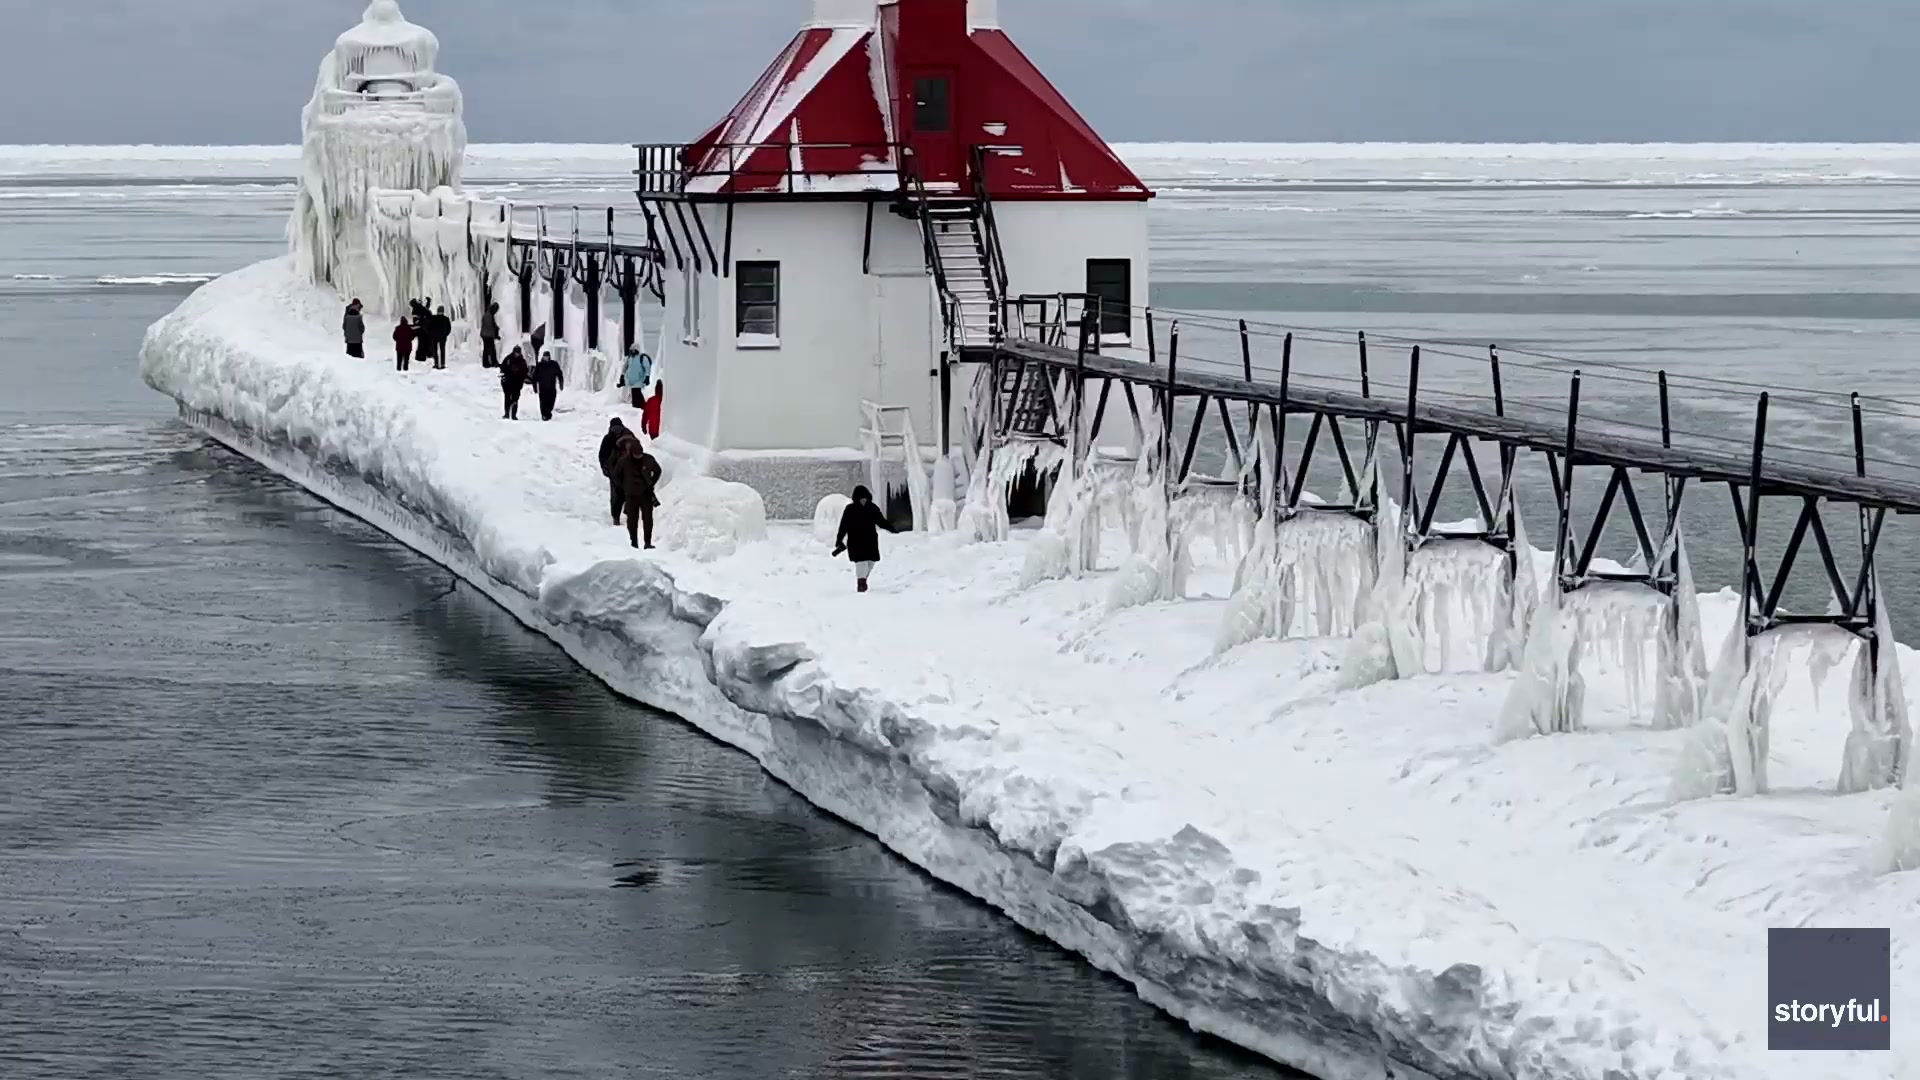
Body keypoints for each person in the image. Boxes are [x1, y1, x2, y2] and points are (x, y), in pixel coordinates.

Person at [832, 485, 897, 594]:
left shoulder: (872, 508)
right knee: (860, 562)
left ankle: (863, 579)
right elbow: (843, 526)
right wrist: (839, 540)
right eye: (861, 498)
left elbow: (881, 521)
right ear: (856, 498)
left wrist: (893, 529)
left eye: (865, 498)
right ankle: (861, 584)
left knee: (871, 562)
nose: (863, 500)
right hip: (855, 541)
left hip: (870, 540)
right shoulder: (850, 509)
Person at [610, 436, 662, 550]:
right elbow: (615, 476)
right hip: (631, 495)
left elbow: (658, 471)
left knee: (647, 519)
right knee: (632, 520)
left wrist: (651, 483)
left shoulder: (648, 459)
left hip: (645, 494)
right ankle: (633, 543)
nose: (638, 457)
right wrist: (623, 487)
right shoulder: (623, 461)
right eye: (636, 455)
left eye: (640, 454)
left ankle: (647, 542)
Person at [598, 418, 633, 522]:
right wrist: (605, 468)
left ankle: (624, 513)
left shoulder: (628, 437)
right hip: (614, 472)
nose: (616, 431)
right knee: (617, 495)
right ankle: (616, 516)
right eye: (614, 428)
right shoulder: (608, 439)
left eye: (618, 428)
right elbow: (602, 455)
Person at [532, 350, 564, 421]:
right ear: (543, 357)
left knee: (551, 402)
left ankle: (548, 413)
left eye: (547, 356)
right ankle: (544, 415)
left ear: (549, 357)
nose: (546, 358)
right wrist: (535, 388)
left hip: (552, 387)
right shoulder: (539, 365)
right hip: (542, 388)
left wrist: (561, 383)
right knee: (543, 403)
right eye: (545, 356)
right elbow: (534, 377)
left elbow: (559, 374)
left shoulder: (554, 364)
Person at [499, 346, 529, 419]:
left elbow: (525, 371)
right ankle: (506, 414)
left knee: (515, 399)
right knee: (507, 399)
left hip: (517, 384)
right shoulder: (508, 359)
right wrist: (503, 375)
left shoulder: (522, 361)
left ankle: (513, 415)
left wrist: (523, 378)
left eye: (518, 352)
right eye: (516, 352)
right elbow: (503, 367)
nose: (517, 354)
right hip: (508, 383)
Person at [480, 302, 501, 368]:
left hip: (486, 334)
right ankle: (488, 363)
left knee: (489, 349)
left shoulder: (489, 314)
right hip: (487, 335)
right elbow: (490, 327)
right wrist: (495, 335)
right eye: (496, 310)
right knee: (488, 349)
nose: (496, 312)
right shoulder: (488, 315)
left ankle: (490, 362)